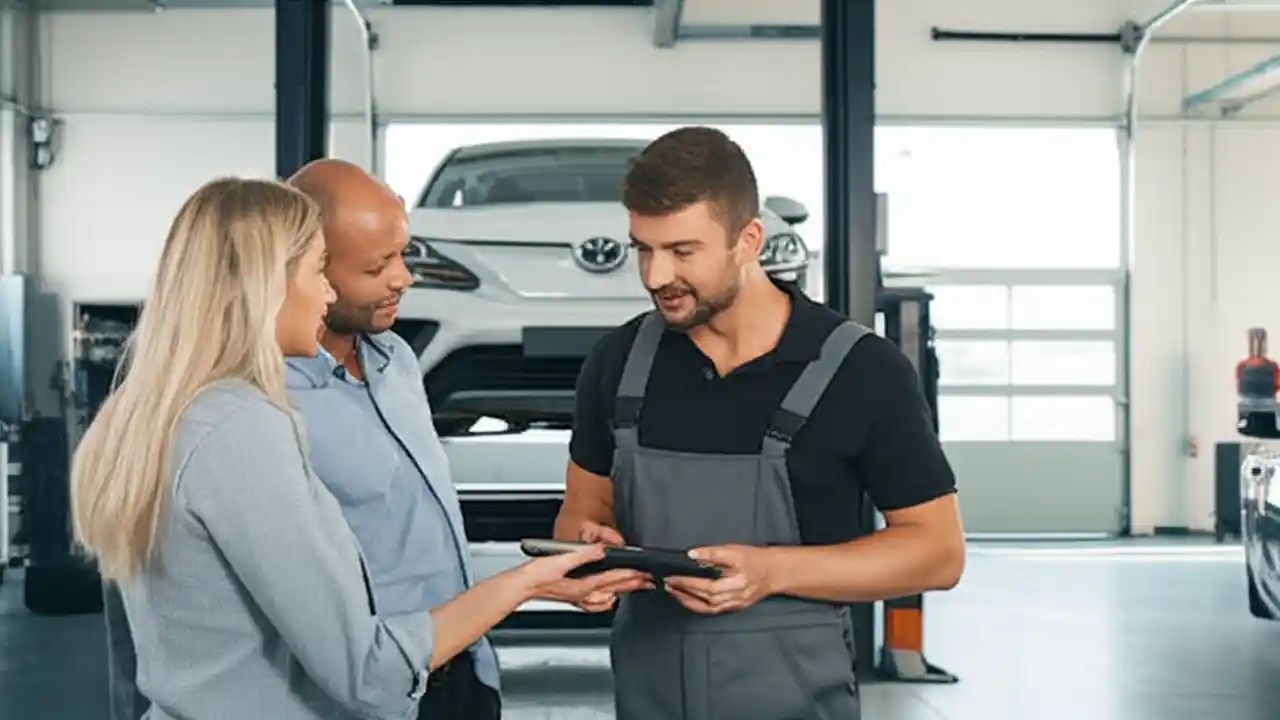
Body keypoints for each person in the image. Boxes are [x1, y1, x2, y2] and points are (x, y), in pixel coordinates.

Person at [77, 176, 624, 720]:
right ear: (267, 282)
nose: (329, 293)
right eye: (320, 270)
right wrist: (524, 583)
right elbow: (368, 672)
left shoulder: (167, 411)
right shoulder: (244, 425)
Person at [553, 126, 967, 719]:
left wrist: (770, 571)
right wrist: (585, 551)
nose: (654, 275)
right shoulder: (617, 364)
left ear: (748, 240)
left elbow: (937, 552)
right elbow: (580, 514)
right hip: (648, 700)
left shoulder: (861, 371)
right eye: (643, 248)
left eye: (682, 251)